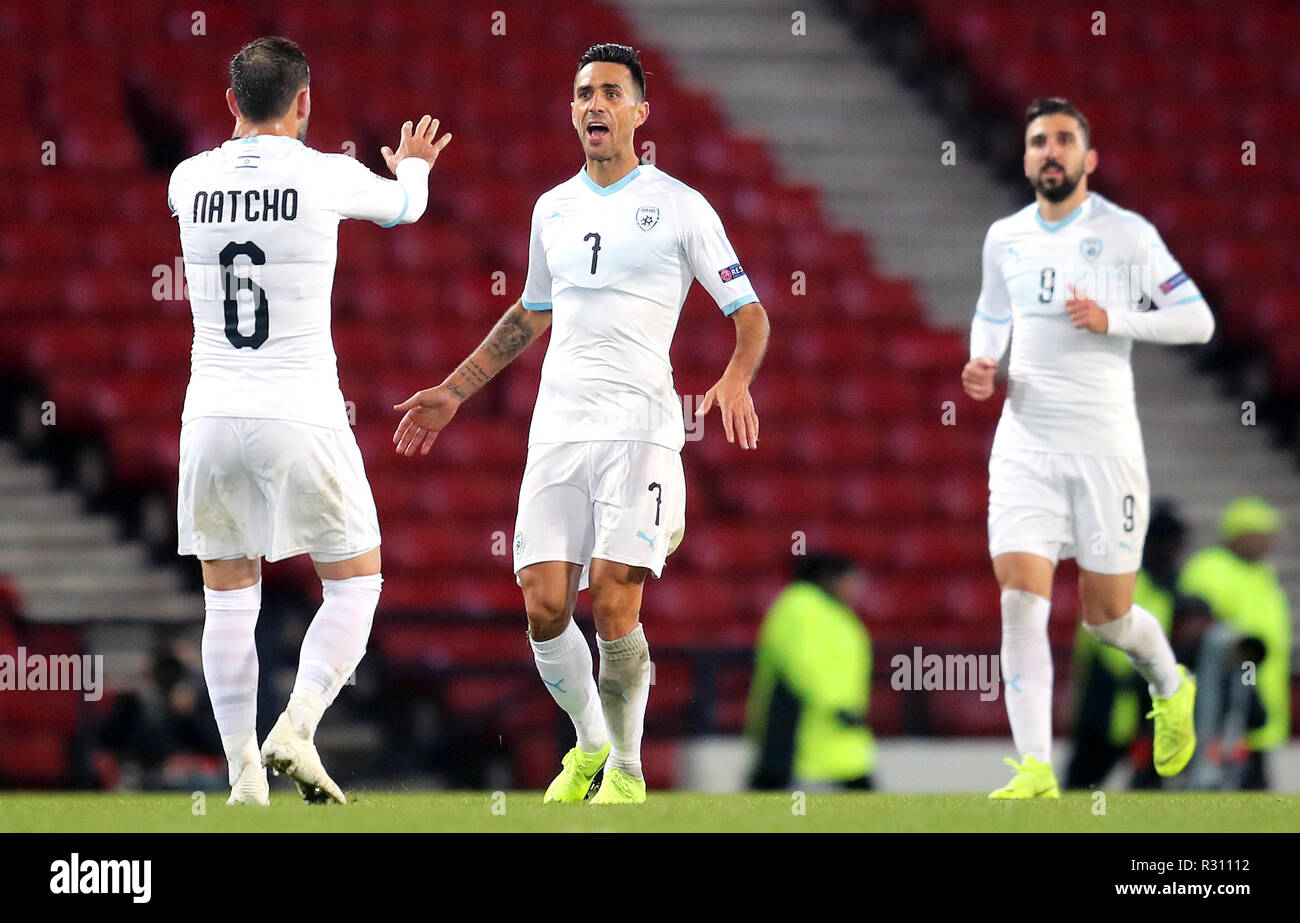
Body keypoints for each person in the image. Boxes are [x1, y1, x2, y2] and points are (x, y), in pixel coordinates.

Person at [393, 43, 770, 804]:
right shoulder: (552, 208)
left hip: (640, 428)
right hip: (559, 427)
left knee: (613, 599)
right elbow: (534, 310)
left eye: (608, 93)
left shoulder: (680, 205)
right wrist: (456, 388)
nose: (593, 104)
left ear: (639, 111)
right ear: (571, 112)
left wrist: (735, 374)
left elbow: (751, 312)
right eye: (582, 94)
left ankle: (627, 770)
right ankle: (591, 741)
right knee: (541, 605)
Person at [169, 36, 451, 805]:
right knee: (357, 582)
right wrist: (415, 163)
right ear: (304, 103)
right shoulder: (325, 174)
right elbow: (406, 208)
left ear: (229, 103)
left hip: (213, 411)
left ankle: (242, 780)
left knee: (228, 593)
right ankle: (297, 724)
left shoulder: (187, 179)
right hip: (302, 409)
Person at [961, 97, 1214, 798]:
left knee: (1105, 618)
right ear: (1025, 157)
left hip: (1104, 448)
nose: (1051, 150)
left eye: (1065, 139)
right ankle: (1036, 766)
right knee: (1020, 599)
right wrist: (984, 361)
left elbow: (1197, 320)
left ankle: (1170, 681)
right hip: (1025, 443)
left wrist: (1115, 318)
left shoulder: (1127, 235)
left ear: (1088, 159)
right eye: (1039, 139)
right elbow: (990, 310)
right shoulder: (1004, 236)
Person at [1067, 501, 1186, 789]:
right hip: (1108, 705)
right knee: (1083, 788)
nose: (1172, 551)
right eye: (1166, 543)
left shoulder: (1172, 588)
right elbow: (1115, 653)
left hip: (1143, 707)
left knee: (1146, 794)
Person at [1178, 497, 1291, 789]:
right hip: (1227, 699)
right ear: (1237, 534)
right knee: (1227, 785)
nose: (1264, 542)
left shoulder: (1261, 574)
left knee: (1253, 792)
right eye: (1257, 535)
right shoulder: (1211, 569)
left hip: (1256, 695)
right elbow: (1199, 635)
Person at [746, 554, 875, 791]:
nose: (858, 587)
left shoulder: (834, 613)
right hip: (804, 733)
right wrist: (837, 705)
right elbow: (800, 662)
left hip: (839, 737)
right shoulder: (800, 606)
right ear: (831, 579)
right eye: (852, 579)